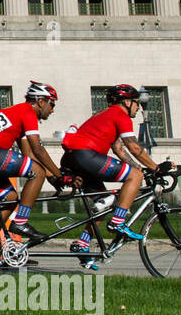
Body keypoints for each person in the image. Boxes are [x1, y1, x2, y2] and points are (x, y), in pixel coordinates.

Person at [60, 83, 162, 268]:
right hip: (87, 156)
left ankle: (82, 244)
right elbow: (134, 147)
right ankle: (118, 222)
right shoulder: (120, 114)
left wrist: (140, 167)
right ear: (126, 101)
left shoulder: (105, 115)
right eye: (136, 102)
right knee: (135, 177)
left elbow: (119, 149)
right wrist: (155, 168)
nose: (138, 107)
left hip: (73, 158)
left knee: (105, 202)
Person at [0, 81, 64, 260]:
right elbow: (38, 148)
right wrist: (58, 173)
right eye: (51, 104)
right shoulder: (28, 112)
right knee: (37, 172)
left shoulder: (18, 113)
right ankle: (21, 222)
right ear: (40, 101)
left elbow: (28, 154)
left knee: (9, 200)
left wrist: (51, 177)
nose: (52, 110)